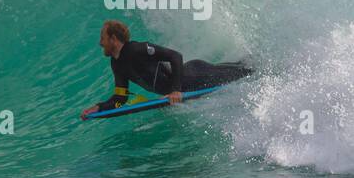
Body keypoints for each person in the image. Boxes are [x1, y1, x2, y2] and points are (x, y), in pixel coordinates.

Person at [79, 19, 252, 119]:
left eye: (103, 38)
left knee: (246, 72)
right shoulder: (117, 63)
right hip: (190, 82)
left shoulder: (137, 49)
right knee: (240, 69)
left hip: (196, 75)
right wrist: (100, 107)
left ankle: (262, 62)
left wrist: (175, 90)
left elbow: (175, 56)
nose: (100, 43)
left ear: (113, 39)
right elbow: (120, 98)